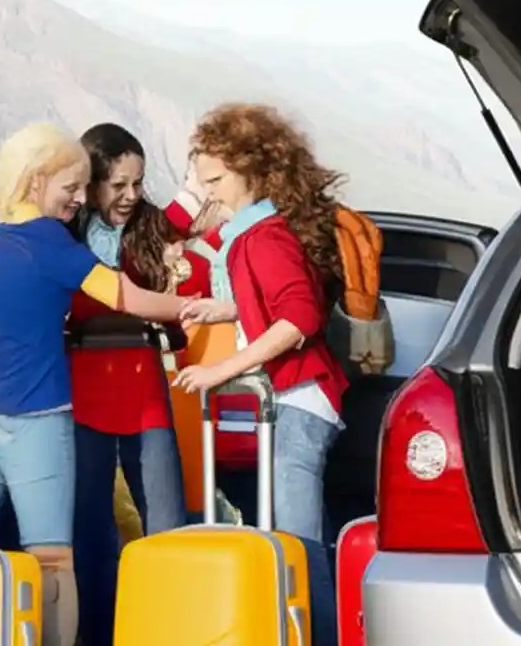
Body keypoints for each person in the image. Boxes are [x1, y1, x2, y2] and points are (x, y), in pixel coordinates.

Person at [0, 122, 189, 646]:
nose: (78, 198)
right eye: (70, 186)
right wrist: (197, 306)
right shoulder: (49, 242)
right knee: (51, 560)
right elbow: (128, 299)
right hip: (35, 420)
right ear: (37, 179)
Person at [174, 103, 349, 646]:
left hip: (300, 398)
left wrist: (223, 367)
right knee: (289, 536)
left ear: (252, 171)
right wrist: (221, 310)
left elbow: (298, 316)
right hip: (296, 397)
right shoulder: (259, 233)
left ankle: (315, 636)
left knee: (297, 541)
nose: (209, 193)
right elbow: (273, 307)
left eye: (216, 180)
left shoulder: (264, 237)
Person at [66, 123, 211, 646]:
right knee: (90, 529)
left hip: (145, 385)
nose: (130, 196)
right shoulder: (64, 232)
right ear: (91, 181)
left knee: (165, 520)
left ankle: (169, 631)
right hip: (83, 386)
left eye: (138, 183)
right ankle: (97, 635)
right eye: (118, 185)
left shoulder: (151, 226)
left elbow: (191, 211)